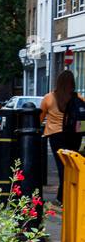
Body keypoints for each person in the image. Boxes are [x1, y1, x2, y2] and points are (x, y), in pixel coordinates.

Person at [41, 70, 83, 205]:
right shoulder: (78, 98)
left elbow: (39, 117)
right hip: (74, 135)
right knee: (72, 166)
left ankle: (61, 197)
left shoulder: (49, 97)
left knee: (61, 166)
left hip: (56, 135)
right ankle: (71, 195)